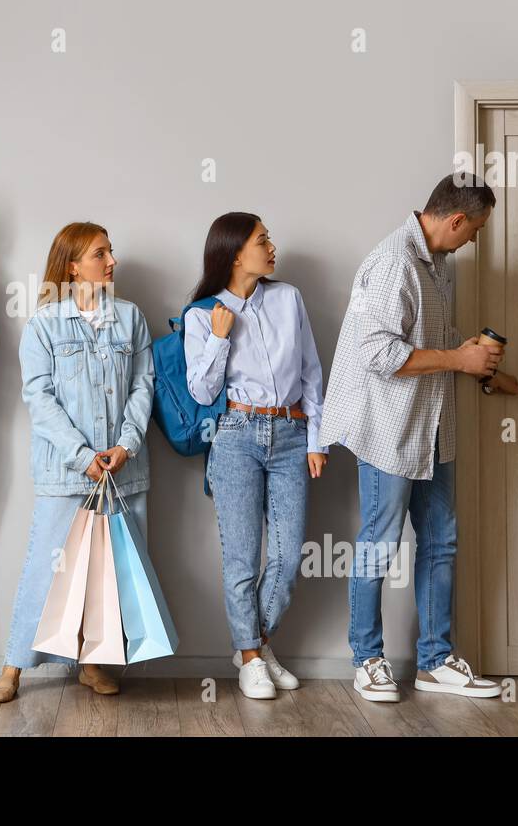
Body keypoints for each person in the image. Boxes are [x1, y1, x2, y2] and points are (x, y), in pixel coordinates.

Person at [319, 173, 518, 703]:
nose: (476, 239)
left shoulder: (439, 264)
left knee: (441, 542)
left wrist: (479, 367)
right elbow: (379, 355)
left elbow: (422, 348)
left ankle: (435, 661)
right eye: (476, 228)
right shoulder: (394, 263)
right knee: (379, 545)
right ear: (455, 219)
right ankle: (367, 659)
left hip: (434, 426)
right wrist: (460, 358)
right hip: (390, 430)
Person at [0, 223, 155, 703]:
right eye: (100, 253)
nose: (111, 261)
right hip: (67, 472)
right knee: (49, 567)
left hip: (125, 470)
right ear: (72, 265)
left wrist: (126, 446)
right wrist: (83, 458)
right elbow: (38, 399)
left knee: (112, 571)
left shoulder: (131, 318)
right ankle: (13, 667)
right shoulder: (43, 325)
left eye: (111, 251)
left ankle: (94, 662)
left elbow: (144, 387)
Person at [183, 212, 328, 700]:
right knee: (242, 559)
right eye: (261, 240)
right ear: (234, 252)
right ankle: (250, 659)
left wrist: (316, 440)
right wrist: (221, 337)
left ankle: (255, 644)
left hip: (291, 432)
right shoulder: (201, 314)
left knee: (288, 558)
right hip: (235, 434)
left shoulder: (289, 299)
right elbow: (202, 393)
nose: (271, 247)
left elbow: (311, 371)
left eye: (268, 238)